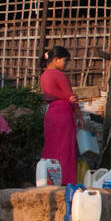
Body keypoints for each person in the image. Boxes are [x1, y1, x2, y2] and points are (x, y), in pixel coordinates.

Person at [39, 45, 80, 184]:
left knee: (51, 146)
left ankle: (47, 179)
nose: (66, 64)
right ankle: (64, 180)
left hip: (51, 113)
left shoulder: (44, 75)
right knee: (65, 148)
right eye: (65, 60)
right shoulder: (59, 75)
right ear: (56, 59)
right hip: (63, 113)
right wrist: (80, 116)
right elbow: (71, 97)